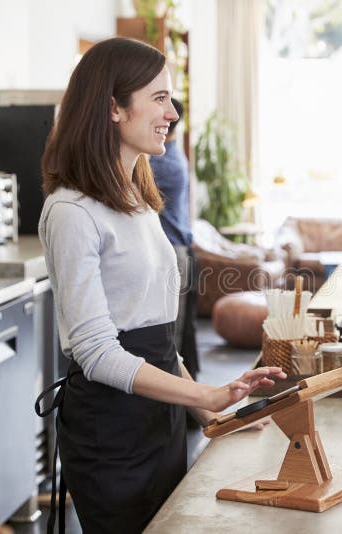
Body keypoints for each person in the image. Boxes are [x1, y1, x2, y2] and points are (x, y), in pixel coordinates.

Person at [37, 37, 285, 533]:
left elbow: (157, 339)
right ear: (112, 107)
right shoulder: (71, 211)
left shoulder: (137, 198)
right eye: (159, 98)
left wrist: (207, 409)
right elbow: (96, 350)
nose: (172, 112)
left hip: (161, 422)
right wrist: (206, 397)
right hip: (112, 432)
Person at [149, 97, 200, 382]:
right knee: (174, 331)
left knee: (172, 334)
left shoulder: (162, 162)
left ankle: (175, 408)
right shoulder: (172, 154)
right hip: (178, 251)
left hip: (175, 254)